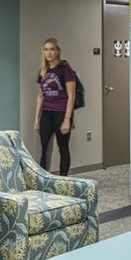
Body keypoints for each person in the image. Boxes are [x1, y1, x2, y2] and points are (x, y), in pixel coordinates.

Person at [33, 37, 76, 176]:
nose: (49, 52)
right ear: (43, 52)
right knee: (44, 149)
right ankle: (44, 180)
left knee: (63, 148)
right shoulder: (43, 71)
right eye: (46, 49)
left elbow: (71, 96)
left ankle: (63, 180)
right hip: (46, 113)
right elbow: (40, 96)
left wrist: (67, 119)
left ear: (58, 51)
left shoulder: (65, 69)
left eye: (52, 49)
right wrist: (36, 119)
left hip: (61, 113)